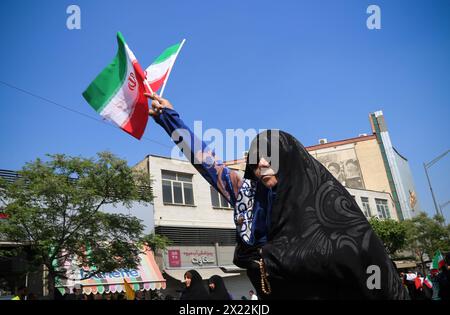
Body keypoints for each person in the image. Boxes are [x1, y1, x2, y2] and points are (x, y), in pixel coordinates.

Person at [146, 93, 408, 300]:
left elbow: (373, 274)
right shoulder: (249, 198)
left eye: (269, 156)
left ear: (290, 160)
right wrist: (170, 119)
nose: (261, 163)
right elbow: (206, 163)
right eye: (256, 157)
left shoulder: (334, 212)